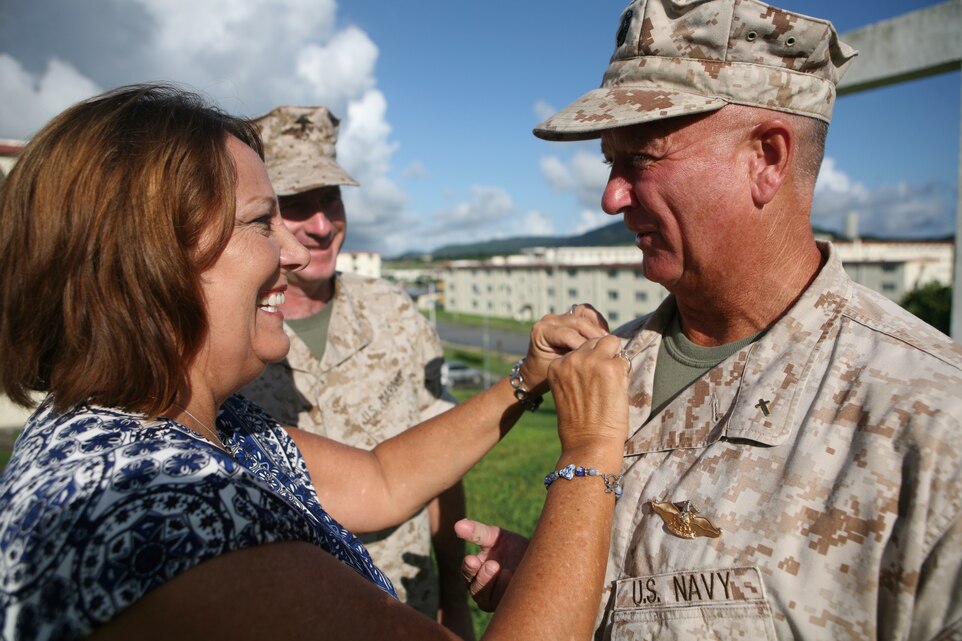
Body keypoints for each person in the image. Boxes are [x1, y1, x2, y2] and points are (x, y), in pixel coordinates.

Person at [0, 83, 631, 640]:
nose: (296, 252)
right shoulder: (161, 513)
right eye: (258, 222)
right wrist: (589, 454)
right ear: (149, 258)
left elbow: (383, 480)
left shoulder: (162, 427)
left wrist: (524, 381)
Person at [458, 1, 962, 639]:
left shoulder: (932, 422)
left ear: (767, 158)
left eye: (640, 159)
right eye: (608, 162)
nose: (611, 196)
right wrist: (552, 587)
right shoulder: (612, 365)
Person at [238, 105, 471, 636]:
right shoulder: (228, 340)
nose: (321, 226)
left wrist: (454, 599)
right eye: (295, 204)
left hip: (406, 603)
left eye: (331, 200)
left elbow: (441, 466)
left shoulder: (395, 313)